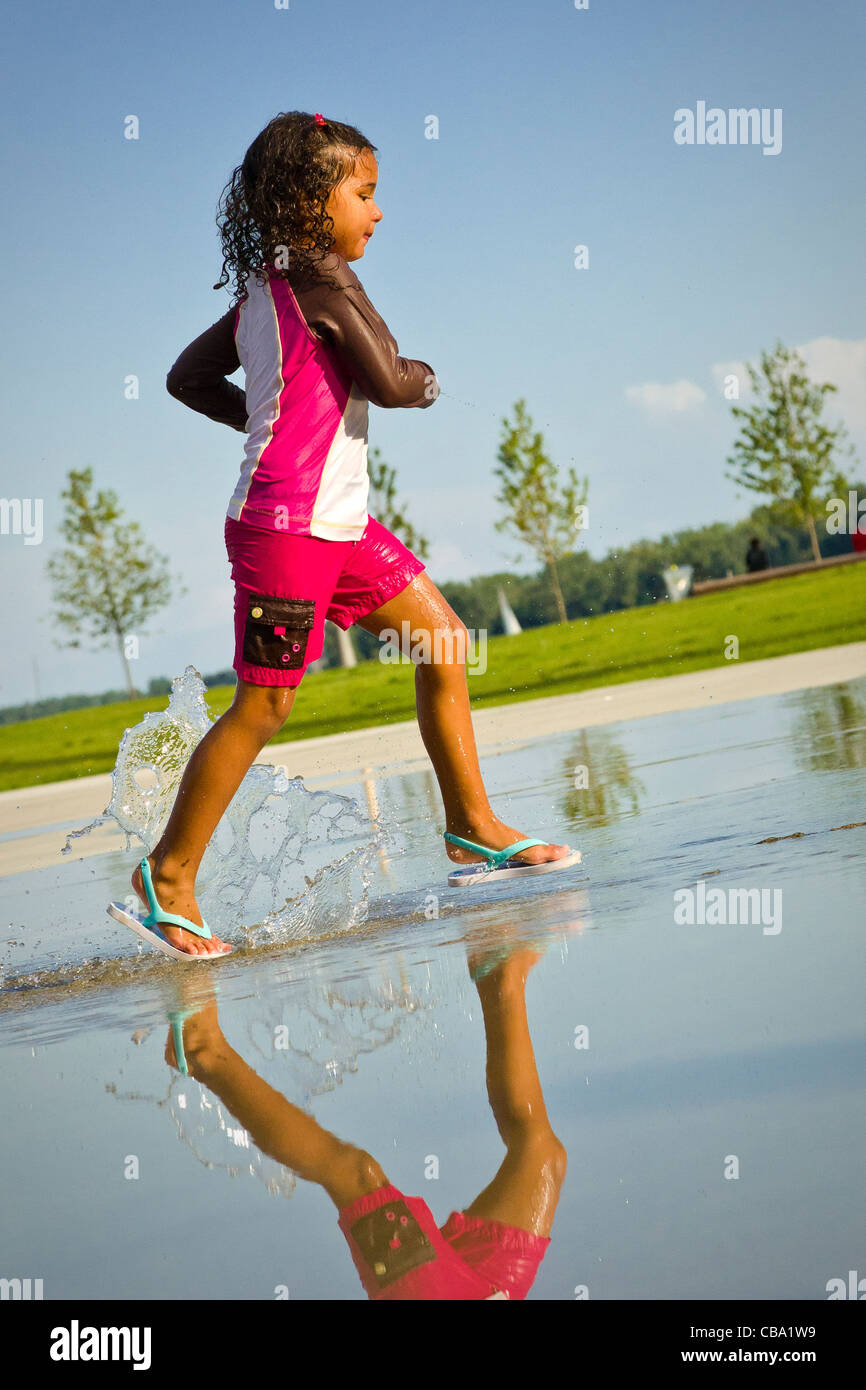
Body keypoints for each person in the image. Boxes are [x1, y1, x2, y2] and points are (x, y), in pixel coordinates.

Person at [117, 110, 579, 958]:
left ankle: (472, 827)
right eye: (364, 193)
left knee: (442, 640)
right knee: (266, 703)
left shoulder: (267, 284)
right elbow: (395, 382)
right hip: (288, 527)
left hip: (334, 523)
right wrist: (430, 382)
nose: (377, 210)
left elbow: (188, 378)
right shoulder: (320, 281)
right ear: (308, 200)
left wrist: (268, 421)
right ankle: (168, 876)